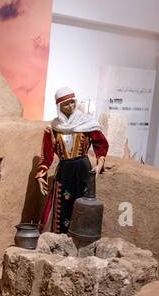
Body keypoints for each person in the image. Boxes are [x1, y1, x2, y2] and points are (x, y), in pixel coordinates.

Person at [35, 87, 110, 235]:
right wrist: (40, 175)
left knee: (83, 205)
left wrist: (100, 163)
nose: (70, 107)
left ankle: (82, 238)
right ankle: (60, 238)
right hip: (65, 171)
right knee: (63, 204)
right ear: (59, 107)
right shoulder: (53, 129)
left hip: (83, 169)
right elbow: (47, 156)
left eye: (72, 103)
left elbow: (101, 143)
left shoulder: (86, 123)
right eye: (66, 104)